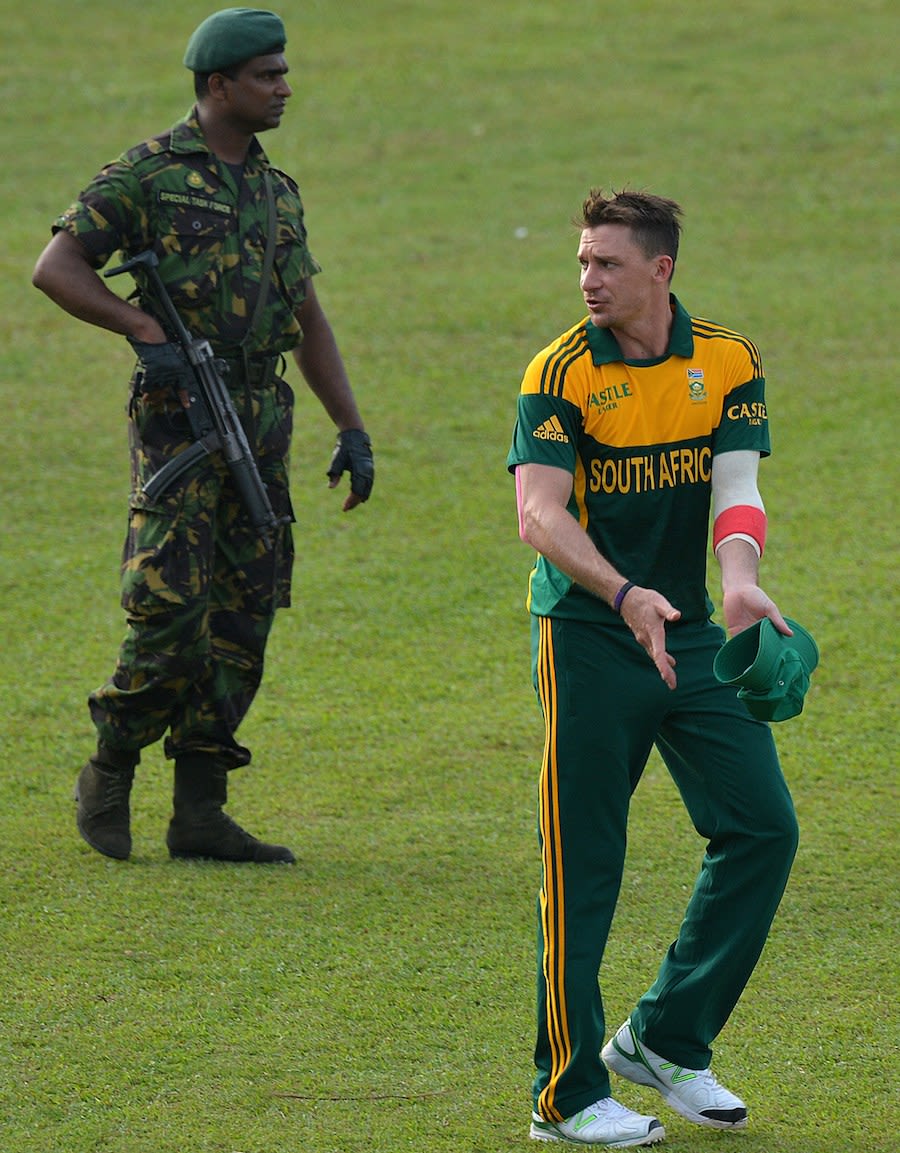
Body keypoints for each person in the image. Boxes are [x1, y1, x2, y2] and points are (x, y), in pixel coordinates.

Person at [32, 8, 374, 865]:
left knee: (243, 615)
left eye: (284, 73)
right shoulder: (145, 176)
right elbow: (58, 268)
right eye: (267, 75)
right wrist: (141, 328)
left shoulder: (276, 191)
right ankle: (109, 766)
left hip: (260, 423)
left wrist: (352, 424)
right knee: (169, 611)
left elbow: (305, 312)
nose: (284, 88)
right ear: (218, 85)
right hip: (182, 425)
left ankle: (200, 810)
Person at [507, 189, 799, 1147]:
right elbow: (539, 515)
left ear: (660, 270)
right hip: (589, 639)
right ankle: (565, 1095)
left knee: (761, 824)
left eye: (607, 263)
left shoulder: (726, 360)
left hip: (694, 635)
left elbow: (737, 490)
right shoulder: (558, 372)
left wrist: (741, 582)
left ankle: (666, 1038)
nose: (587, 278)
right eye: (582, 260)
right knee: (583, 866)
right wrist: (624, 591)